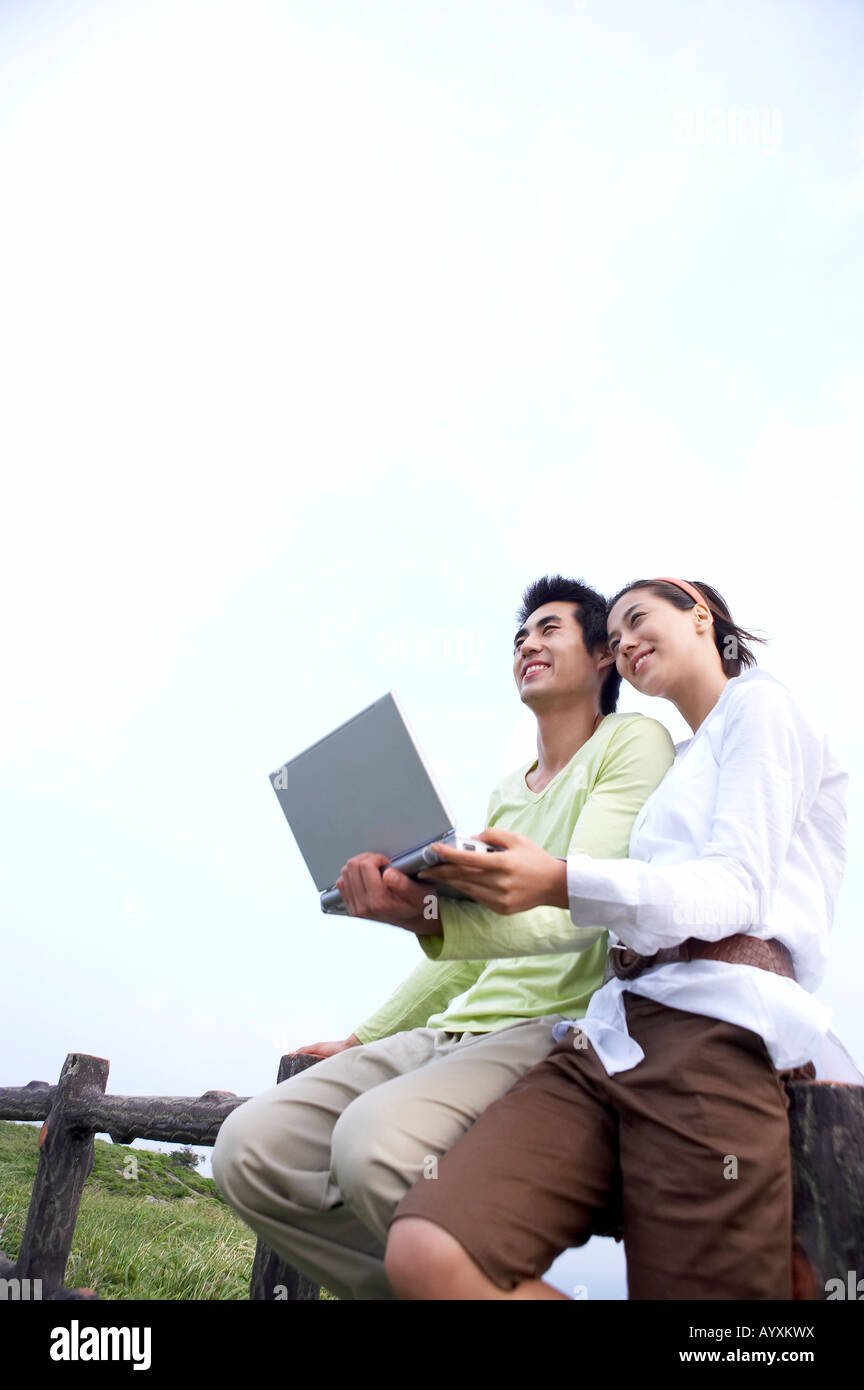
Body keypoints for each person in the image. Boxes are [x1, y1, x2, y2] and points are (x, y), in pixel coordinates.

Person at [386, 576, 852, 1301]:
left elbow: (734, 888)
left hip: (710, 1035)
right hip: (605, 1034)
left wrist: (562, 879)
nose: (626, 641)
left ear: (702, 617)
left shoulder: (762, 707)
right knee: (428, 1250)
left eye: (639, 618)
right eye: (617, 633)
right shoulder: (678, 761)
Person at [211, 576, 674, 1299]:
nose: (528, 643)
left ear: (604, 656)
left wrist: (434, 915)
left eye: (550, 629)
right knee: (249, 1148)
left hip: (553, 1031)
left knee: (373, 1147)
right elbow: (463, 960)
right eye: (521, 635)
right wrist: (369, 1034)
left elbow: (578, 902)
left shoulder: (633, 742)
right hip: (457, 1033)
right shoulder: (506, 793)